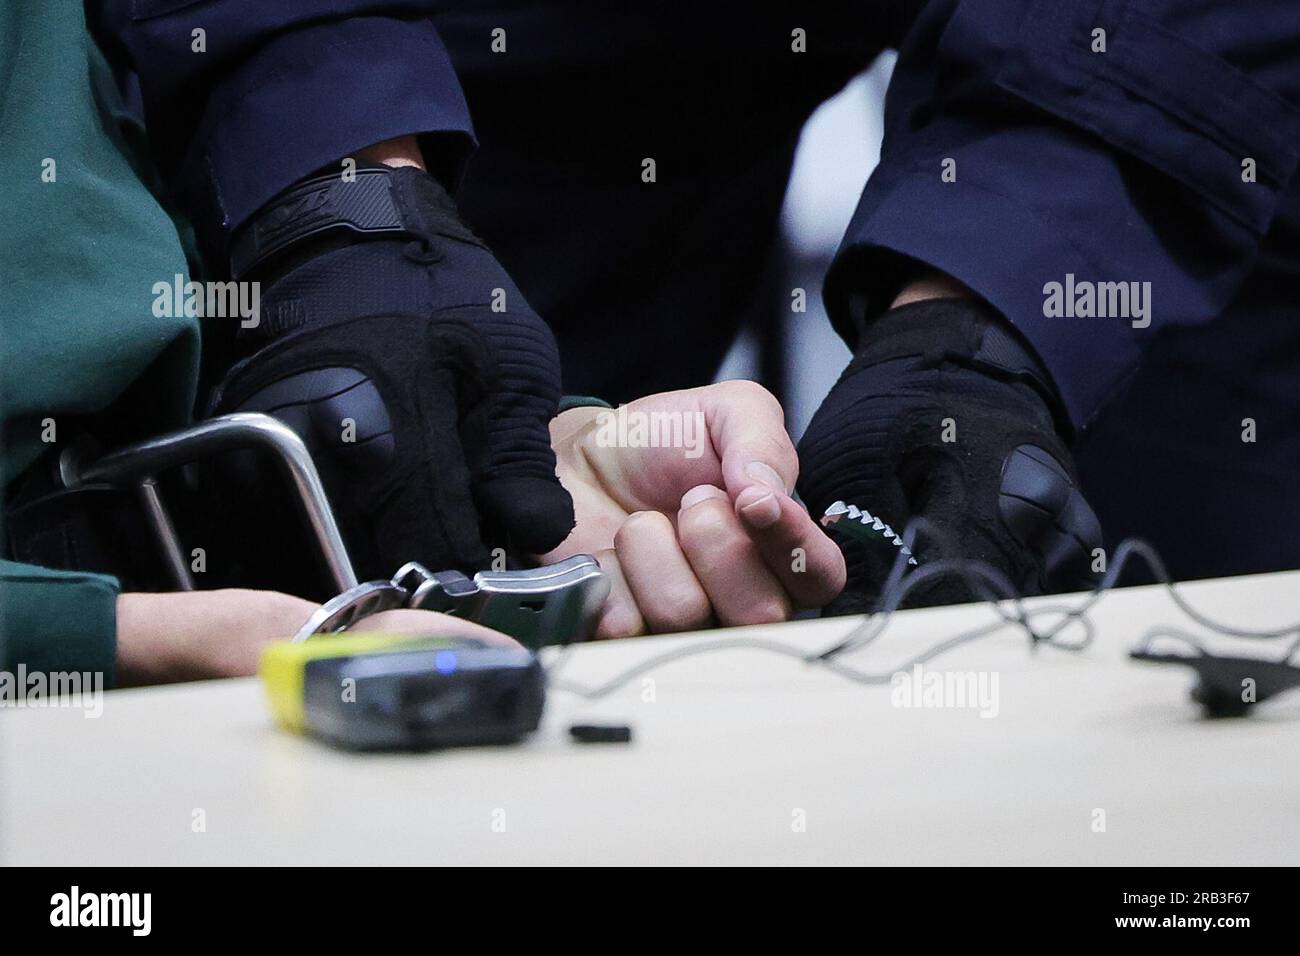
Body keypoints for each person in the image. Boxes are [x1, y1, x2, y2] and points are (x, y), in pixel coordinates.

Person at [90, 1, 1300, 616]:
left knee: (1103, 651)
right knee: (395, 512)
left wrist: (985, 323)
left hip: (1163, 104)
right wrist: (340, 182)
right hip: (463, 73)